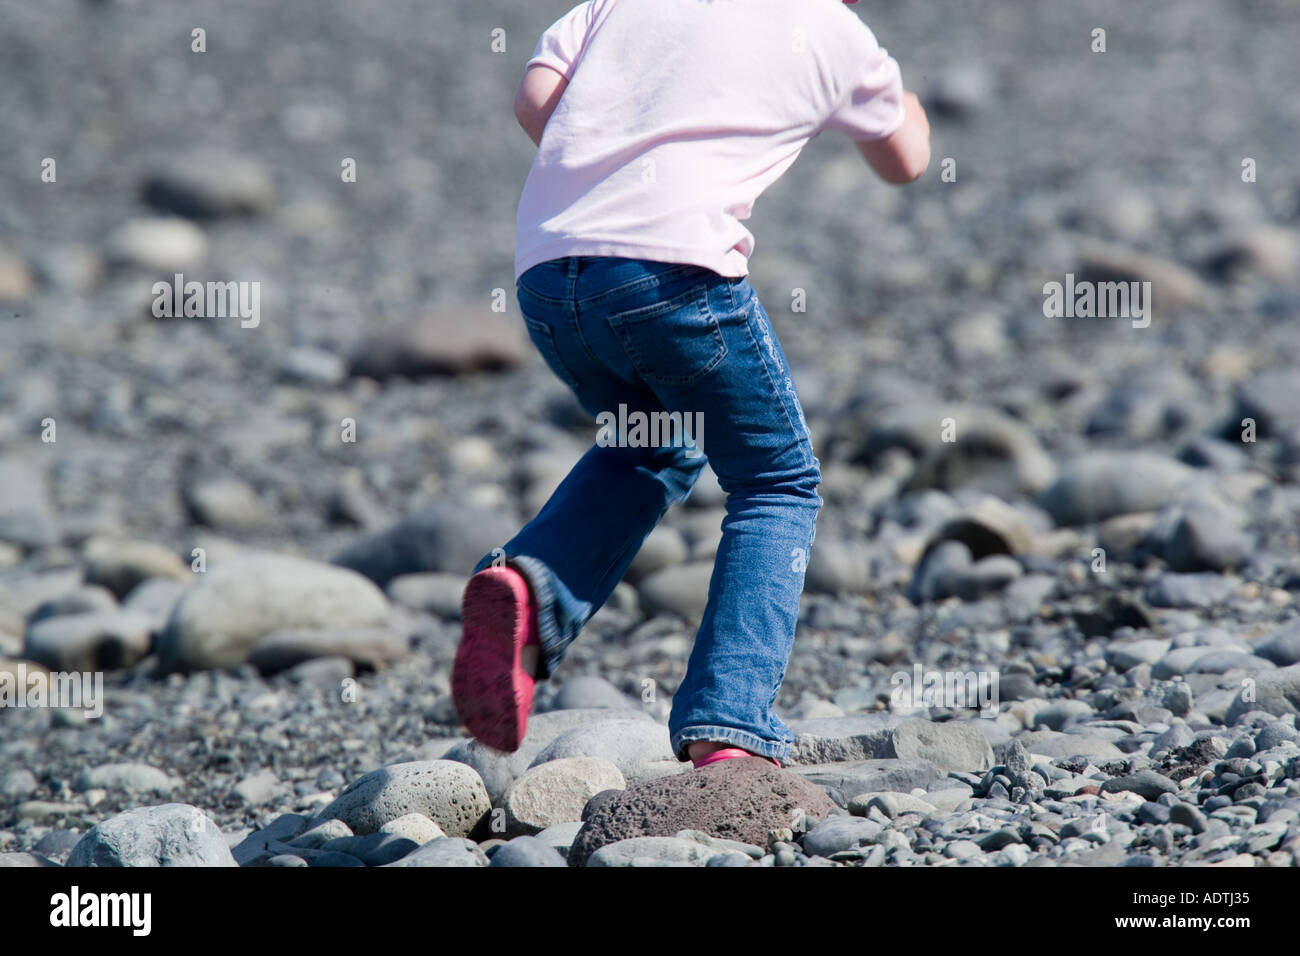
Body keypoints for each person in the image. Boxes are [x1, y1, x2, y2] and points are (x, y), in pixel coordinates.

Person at [452, 0, 930, 770]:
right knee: (777, 479)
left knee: (650, 441)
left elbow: (533, 101)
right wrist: (904, 105)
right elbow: (905, 160)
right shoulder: (833, 29)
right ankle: (728, 722)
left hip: (551, 274)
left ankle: (529, 591)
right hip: (673, 274)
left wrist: (617, 165)